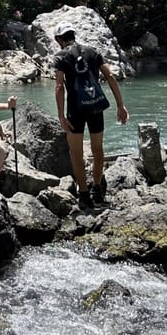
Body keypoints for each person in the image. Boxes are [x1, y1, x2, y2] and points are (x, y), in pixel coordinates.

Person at [53, 22, 128, 208]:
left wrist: (61, 117)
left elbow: (59, 87)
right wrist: (120, 105)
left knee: (76, 154)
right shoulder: (92, 52)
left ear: (59, 39)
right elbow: (110, 76)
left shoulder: (61, 56)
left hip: (75, 110)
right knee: (98, 150)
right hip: (95, 107)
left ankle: (84, 195)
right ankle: (97, 189)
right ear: (73, 34)